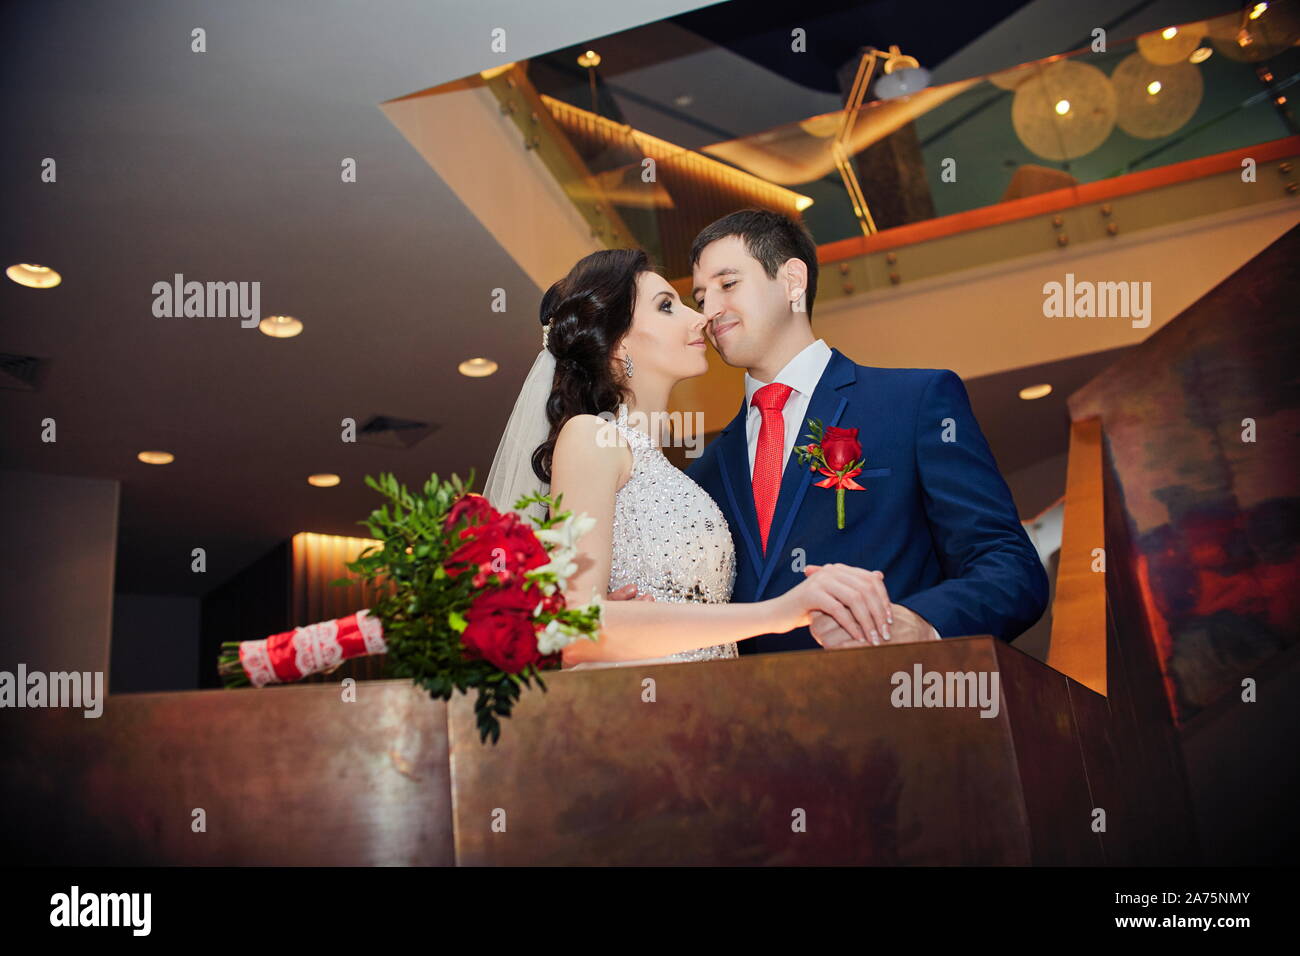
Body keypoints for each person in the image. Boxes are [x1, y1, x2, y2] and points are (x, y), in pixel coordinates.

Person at [483, 248, 888, 669]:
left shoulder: (676, 473)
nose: (700, 318)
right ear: (620, 343)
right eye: (666, 306)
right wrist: (780, 613)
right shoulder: (591, 436)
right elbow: (573, 626)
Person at [685, 209, 1049, 653]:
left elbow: (1009, 567)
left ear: (793, 281)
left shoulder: (914, 402)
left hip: (893, 701)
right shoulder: (704, 473)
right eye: (701, 297)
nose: (709, 311)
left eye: (728, 284)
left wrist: (920, 624)